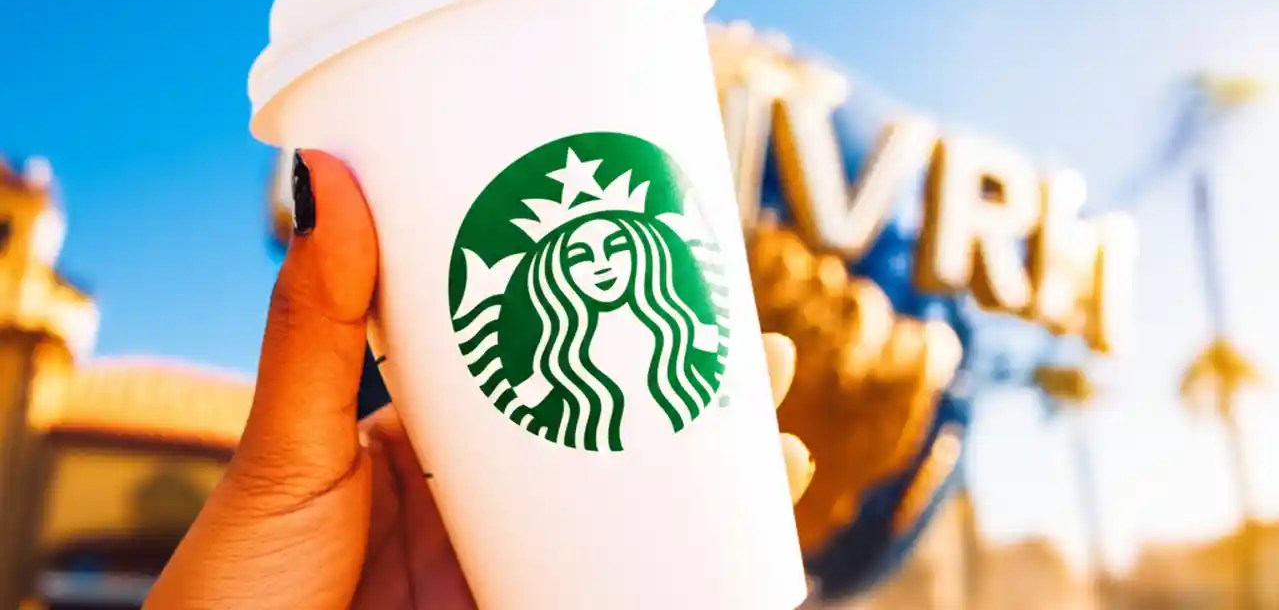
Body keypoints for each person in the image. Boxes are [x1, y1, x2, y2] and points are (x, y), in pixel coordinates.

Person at [144, 151, 815, 610]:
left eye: (616, 244)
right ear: (553, 275)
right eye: (579, 253)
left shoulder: (670, 347)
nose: (602, 264)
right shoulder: (541, 373)